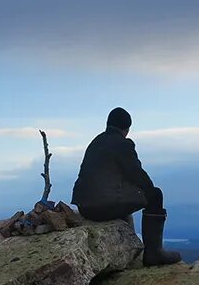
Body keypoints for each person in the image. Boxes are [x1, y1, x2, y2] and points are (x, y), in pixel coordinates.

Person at [71, 107, 182, 266]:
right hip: (104, 206)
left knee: (121, 198)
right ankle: (154, 253)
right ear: (127, 129)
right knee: (155, 195)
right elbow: (136, 173)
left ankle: (130, 246)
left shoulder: (95, 142)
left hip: (85, 207)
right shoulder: (122, 144)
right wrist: (150, 191)